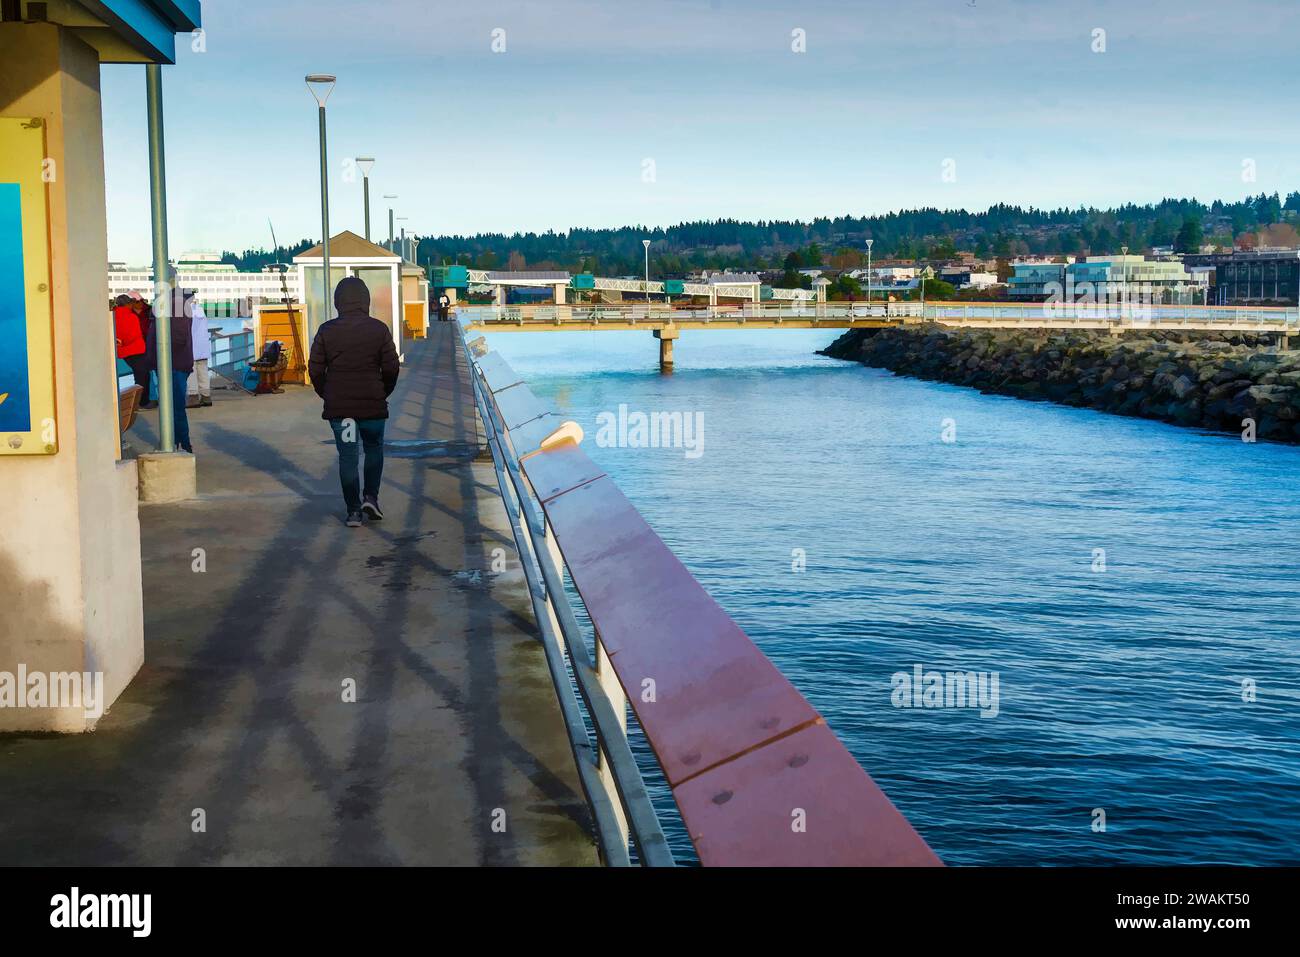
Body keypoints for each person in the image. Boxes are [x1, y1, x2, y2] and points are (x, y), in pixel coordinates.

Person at [309, 276, 400, 527]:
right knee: (373, 449)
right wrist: (382, 392)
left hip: (341, 411)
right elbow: (391, 368)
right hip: (372, 406)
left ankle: (353, 512)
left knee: (348, 457)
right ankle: (371, 497)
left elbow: (315, 369)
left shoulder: (326, 330)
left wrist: (327, 394)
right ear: (366, 300)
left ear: (338, 301)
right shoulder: (378, 329)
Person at [144, 288, 195, 453]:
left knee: (174, 406)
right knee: (174, 406)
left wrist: (163, 354)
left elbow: (179, 337)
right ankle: (177, 442)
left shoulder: (174, 307)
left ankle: (180, 443)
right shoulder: (175, 307)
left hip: (172, 365)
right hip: (174, 364)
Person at [113, 294, 149, 397]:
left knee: (139, 375)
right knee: (143, 376)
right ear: (128, 304)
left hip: (123, 351)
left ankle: (139, 401)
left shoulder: (113, 315)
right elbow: (133, 335)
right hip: (135, 350)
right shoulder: (131, 316)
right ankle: (142, 401)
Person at [188, 297, 212, 407]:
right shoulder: (201, 311)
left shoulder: (186, 312)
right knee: (203, 373)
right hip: (203, 348)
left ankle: (193, 397)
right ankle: (206, 396)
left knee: (191, 373)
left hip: (191, 348)